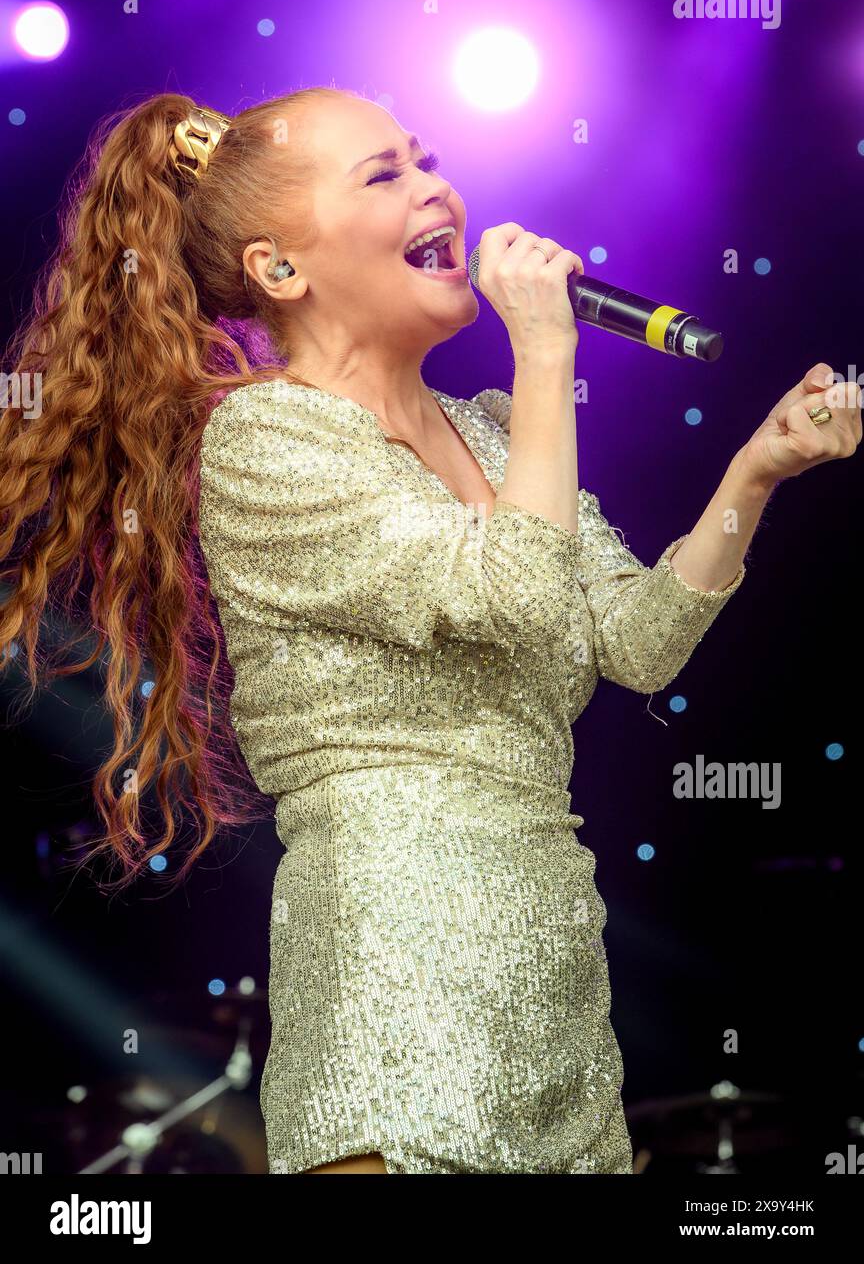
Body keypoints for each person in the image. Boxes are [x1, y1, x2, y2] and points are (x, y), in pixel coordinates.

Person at [1, 88, 858, 1175]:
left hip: (553, 974)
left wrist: (757, 472)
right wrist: (548, 354)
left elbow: (637, 643)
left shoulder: (494, 433)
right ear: (279, 270)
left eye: (427, 159)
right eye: (383, 175)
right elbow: (519, 594)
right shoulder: (268, 438)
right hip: (396, 970)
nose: (436, 188)